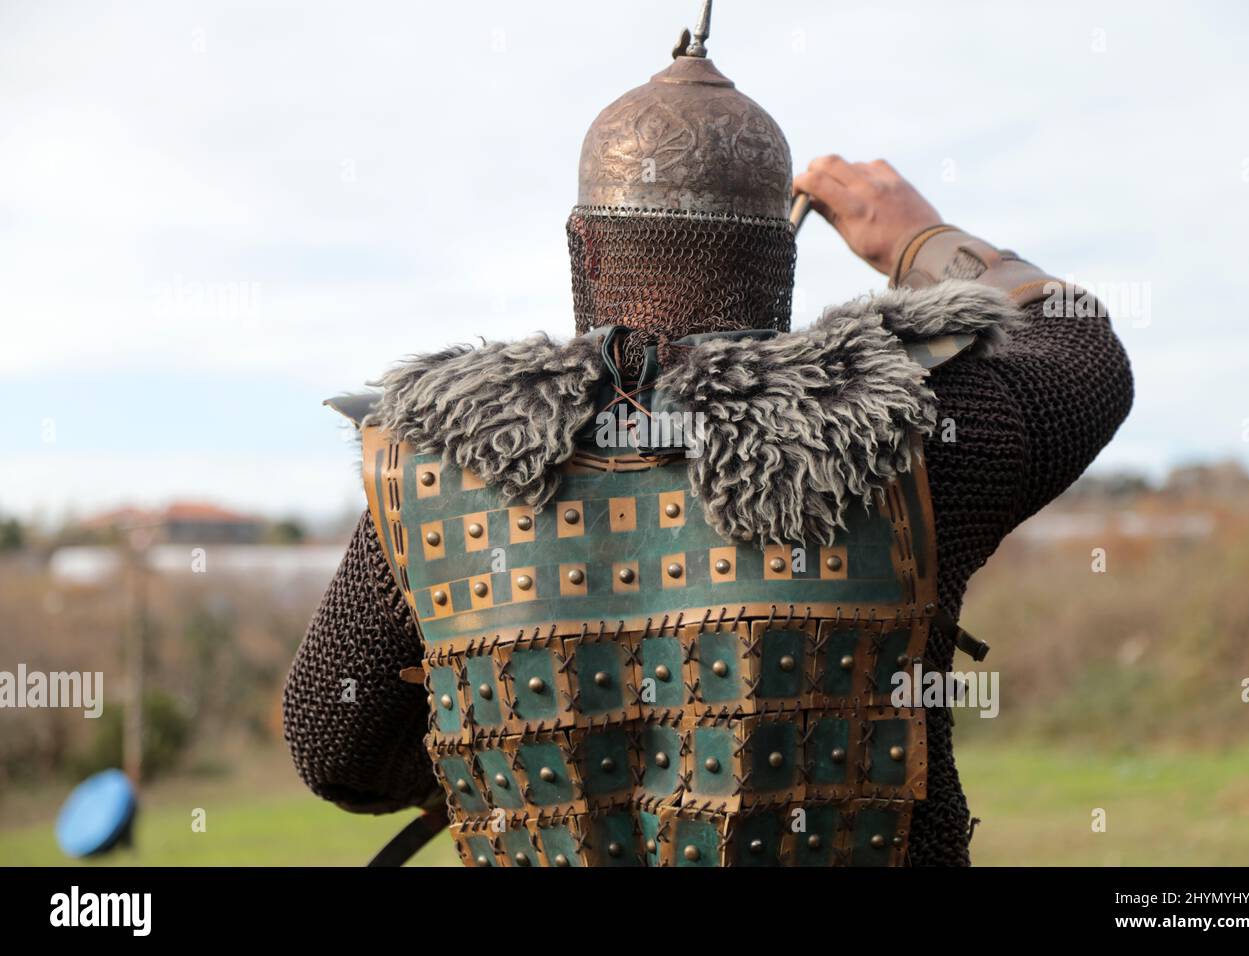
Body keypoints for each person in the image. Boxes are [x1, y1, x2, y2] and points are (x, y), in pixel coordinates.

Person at [283, 2, 1133, 867]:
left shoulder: (446, 459)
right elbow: (1081, 348)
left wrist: (520, 765)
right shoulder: (904, 440)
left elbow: (334, 746)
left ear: (583, 248)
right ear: (783, 255)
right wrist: (919, 236)